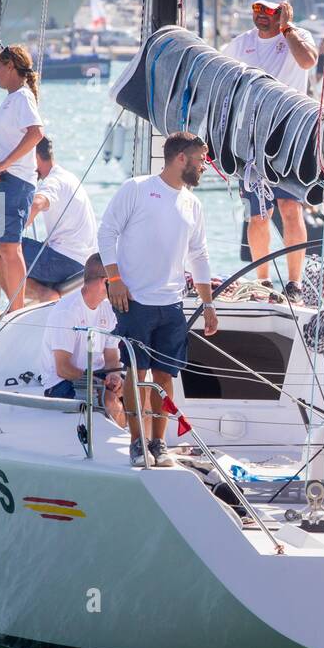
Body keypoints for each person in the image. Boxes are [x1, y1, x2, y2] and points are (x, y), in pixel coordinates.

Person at [99, 132, 219, 468]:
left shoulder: (193, 203)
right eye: (201, 160)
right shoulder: (136, 189)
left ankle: (159, 443)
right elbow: (106, 232)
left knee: (165, 378)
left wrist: (208, 304)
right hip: (135, 302)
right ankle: (137, 444)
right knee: (138, 374)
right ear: (181, 157)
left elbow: (199, 254)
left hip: (172, 305)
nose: (204, 167)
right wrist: (115, 280)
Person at [221, 0, 318, 302]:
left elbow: (307, 62)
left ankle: (294, 283)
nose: (263, 16)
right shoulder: (242, 44)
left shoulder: (297, 37)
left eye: (271, 10)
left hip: (290, 137)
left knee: (290, 208)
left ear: (284, 11)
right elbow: (216, 75)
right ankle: (262, 283)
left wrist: (287, 29)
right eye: (258, 9)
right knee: (258, 214)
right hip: (254, 140)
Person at [0, 44, 45, 318]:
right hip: (3, 181)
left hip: (16, 180)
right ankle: (15, 305)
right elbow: (8, 138)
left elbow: (36, 134)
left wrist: (4, 164)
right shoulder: (11, 99)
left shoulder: (22, 97)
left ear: (10, 66)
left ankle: (16, 312)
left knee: (9, 246)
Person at [39, 254, 126, 427]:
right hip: (63, 382)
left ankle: (142, 445)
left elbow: (111, 358)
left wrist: (113, 376)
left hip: (96, 376)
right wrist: (101, 382)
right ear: (105, 282)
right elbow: (63, 369)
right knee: (107, 400)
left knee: (139, 391)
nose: (122, 286)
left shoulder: (108, 309)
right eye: (118, 280)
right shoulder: (67, 312)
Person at [19, 136, 98, 304]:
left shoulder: (53, 181)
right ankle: (44, 295)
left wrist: (15, 229)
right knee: (10, 254)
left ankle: (40, 296)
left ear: (35, 158)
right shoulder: (67, 177)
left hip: (65, 262)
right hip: (82, 262)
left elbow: (37, 203)